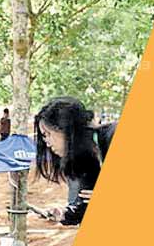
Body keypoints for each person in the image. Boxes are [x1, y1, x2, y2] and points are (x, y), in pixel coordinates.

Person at [35, 97, 116, 226]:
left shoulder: (113, 136)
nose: (47, 142)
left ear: (66, 129)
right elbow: (84, 205)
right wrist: (65, 214)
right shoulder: (81, 163)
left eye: (47, 134)